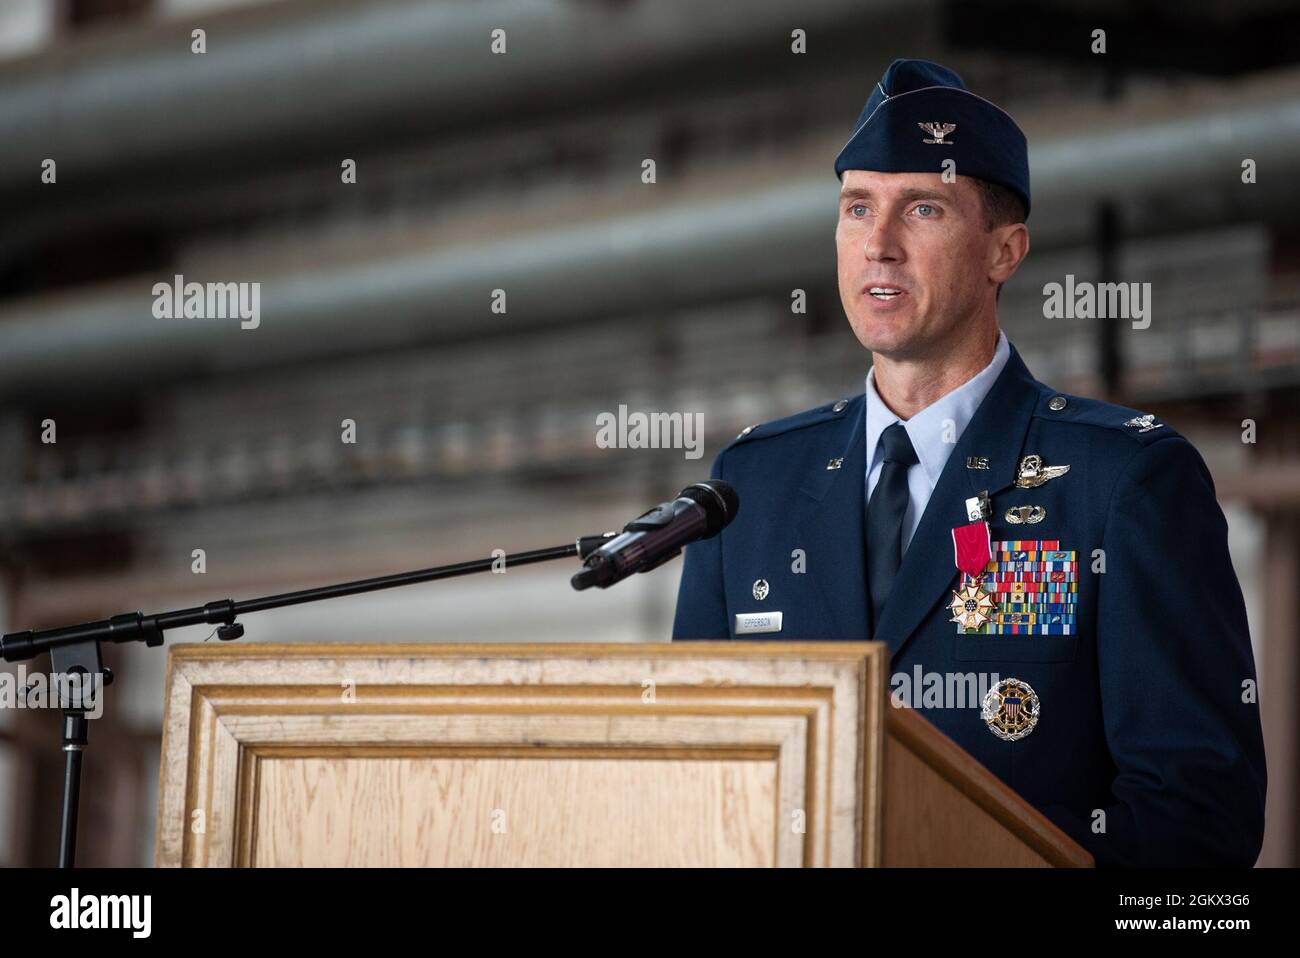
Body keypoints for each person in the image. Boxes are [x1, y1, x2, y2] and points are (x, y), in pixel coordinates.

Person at [671, 58, 1267, 868]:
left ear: (1004, 252)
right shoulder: (750, 486)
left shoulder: (1122, 480)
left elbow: (1198, 817)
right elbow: (692, 779)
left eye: (921, 208)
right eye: (857, 208)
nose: (878, 245)